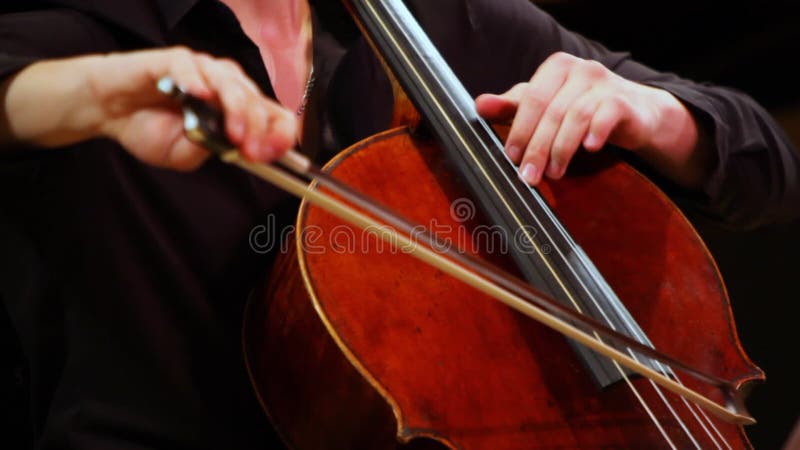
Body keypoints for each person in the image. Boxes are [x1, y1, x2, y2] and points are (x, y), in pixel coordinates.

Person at [0, 0, 797, 448]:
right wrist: (85, 98)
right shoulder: (80, 31)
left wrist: (655, 112)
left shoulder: (455, 29)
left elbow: (768, 170)